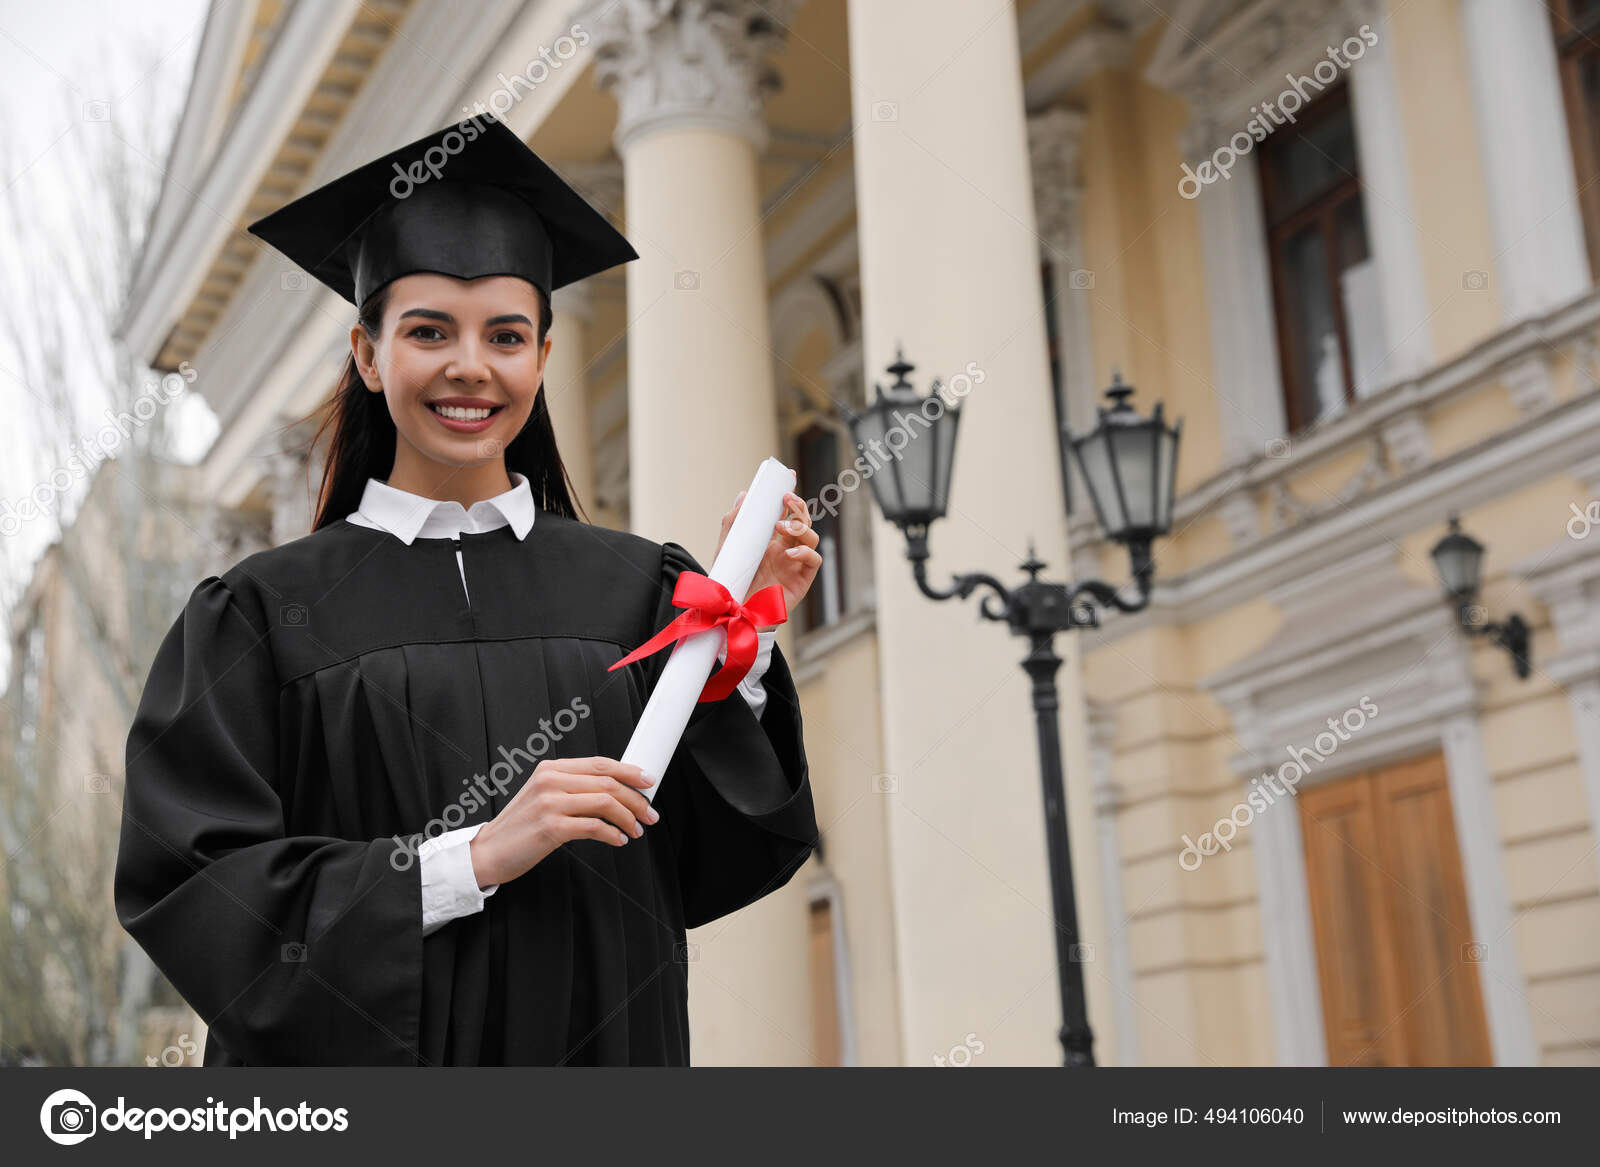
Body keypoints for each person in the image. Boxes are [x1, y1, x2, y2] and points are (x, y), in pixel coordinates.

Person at [113, 116, 822, 1066]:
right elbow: (199, 889)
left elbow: (712, 851)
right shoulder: (259, 616)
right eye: (428, 331)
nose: (471, 367)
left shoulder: (640, 587)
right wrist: (469, 858)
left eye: (506, 335)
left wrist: (744, 642)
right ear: (368, 356)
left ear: (542, 356)